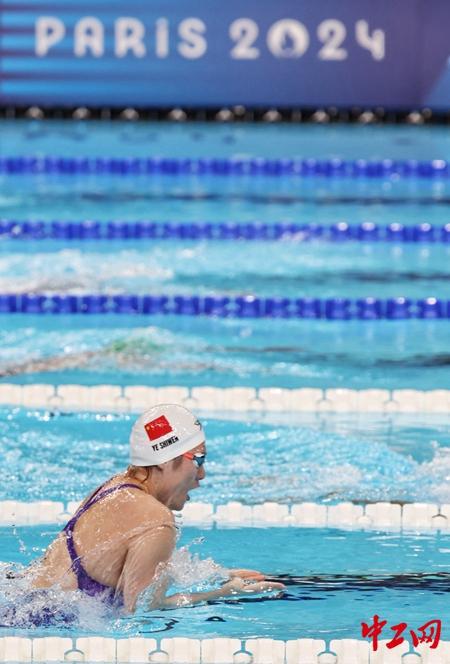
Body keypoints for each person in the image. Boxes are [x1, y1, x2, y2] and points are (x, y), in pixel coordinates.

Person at [29, 404, 284, 613]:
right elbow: (140, 612)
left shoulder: (113, 488)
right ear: (164, 461)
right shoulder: (157, 520)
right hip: (47, 626)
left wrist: (217, 575)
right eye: (199, 459)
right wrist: (225, 592)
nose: (202, 474)